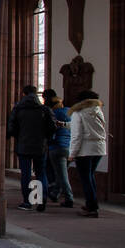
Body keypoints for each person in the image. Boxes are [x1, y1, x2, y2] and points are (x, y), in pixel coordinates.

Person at [6, 84, 56, 212]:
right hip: (40, 146)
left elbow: (11, 128)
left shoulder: (18, 109)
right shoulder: (44, 110)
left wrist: (19, 136)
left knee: (26, 174)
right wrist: (45, 139)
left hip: (23, 146)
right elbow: (52, 128)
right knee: (40, 173)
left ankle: (27, 202)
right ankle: (40, 201)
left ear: (24, 94)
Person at [68, 90, 108, 218]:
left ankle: (91, 206)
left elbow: (77, 135)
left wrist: (72, 153)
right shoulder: (97, 111)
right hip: (99, 148)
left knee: (86, 179)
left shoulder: (78, 113)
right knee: (90, 176)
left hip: (85, 149)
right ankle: (92, 203)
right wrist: (65, 125)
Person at [43, 89, 74, 207]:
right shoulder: (69, 113)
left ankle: (69, 198)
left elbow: (49, 130)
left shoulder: (53, 114)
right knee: (62, 173)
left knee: (62, 175)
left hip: (57, 147)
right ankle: (55, 193)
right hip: (69, 147)